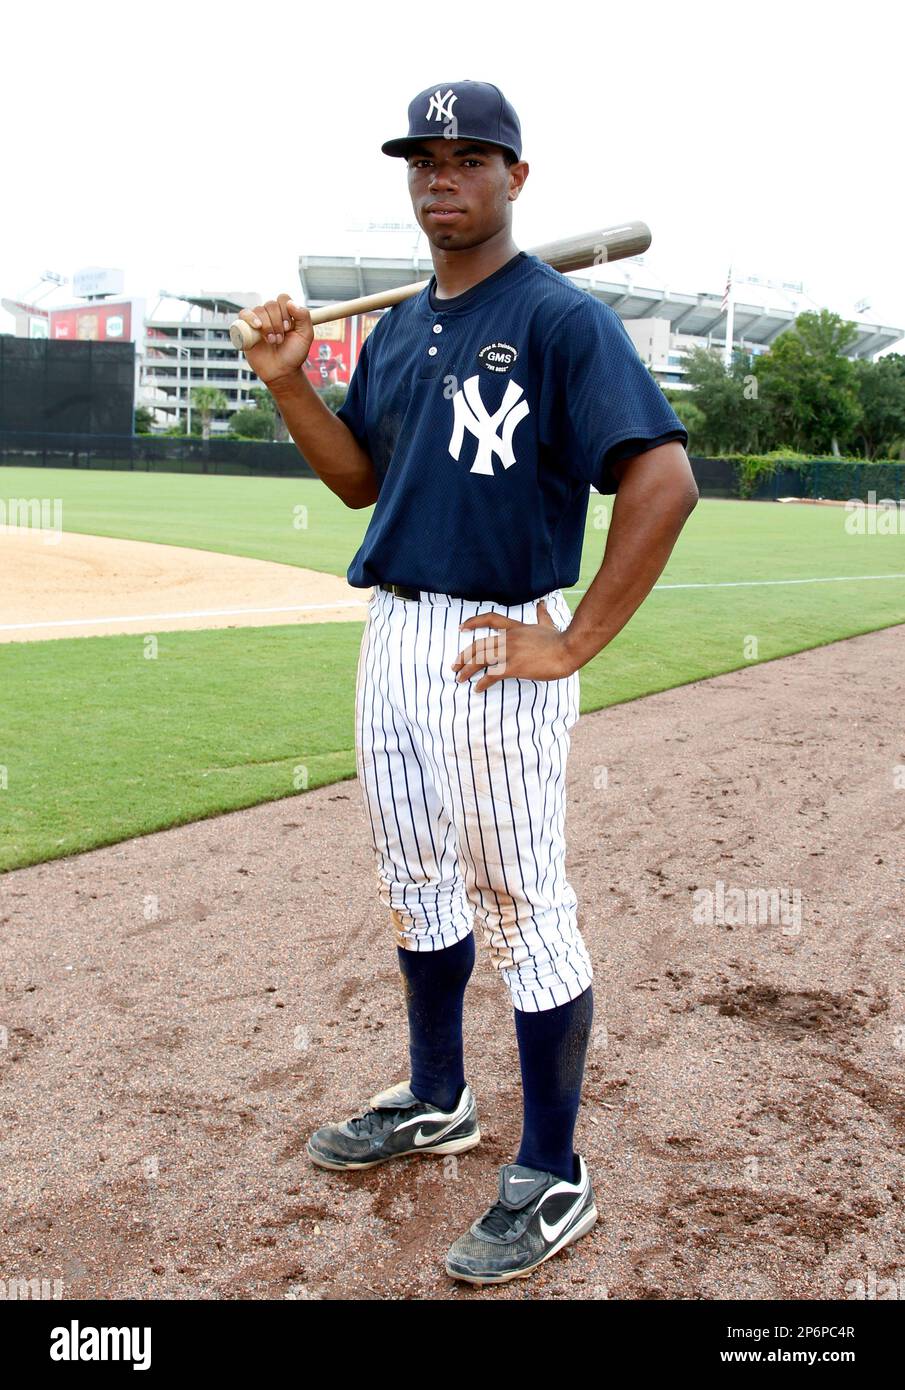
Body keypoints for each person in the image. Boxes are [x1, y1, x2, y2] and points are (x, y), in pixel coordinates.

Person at [237, 79, 698, 1287]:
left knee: (519, 902)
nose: (443, 175)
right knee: (413, 879)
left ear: (514, 179)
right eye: (423, 157)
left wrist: (573, 640)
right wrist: (291, 379)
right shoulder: (396, 330)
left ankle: (553, 1169)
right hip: (392, 631)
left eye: (470, 156)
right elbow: (356, 483)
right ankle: (437, 1096)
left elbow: (661, 481)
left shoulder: (557, 320)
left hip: (500, 640)